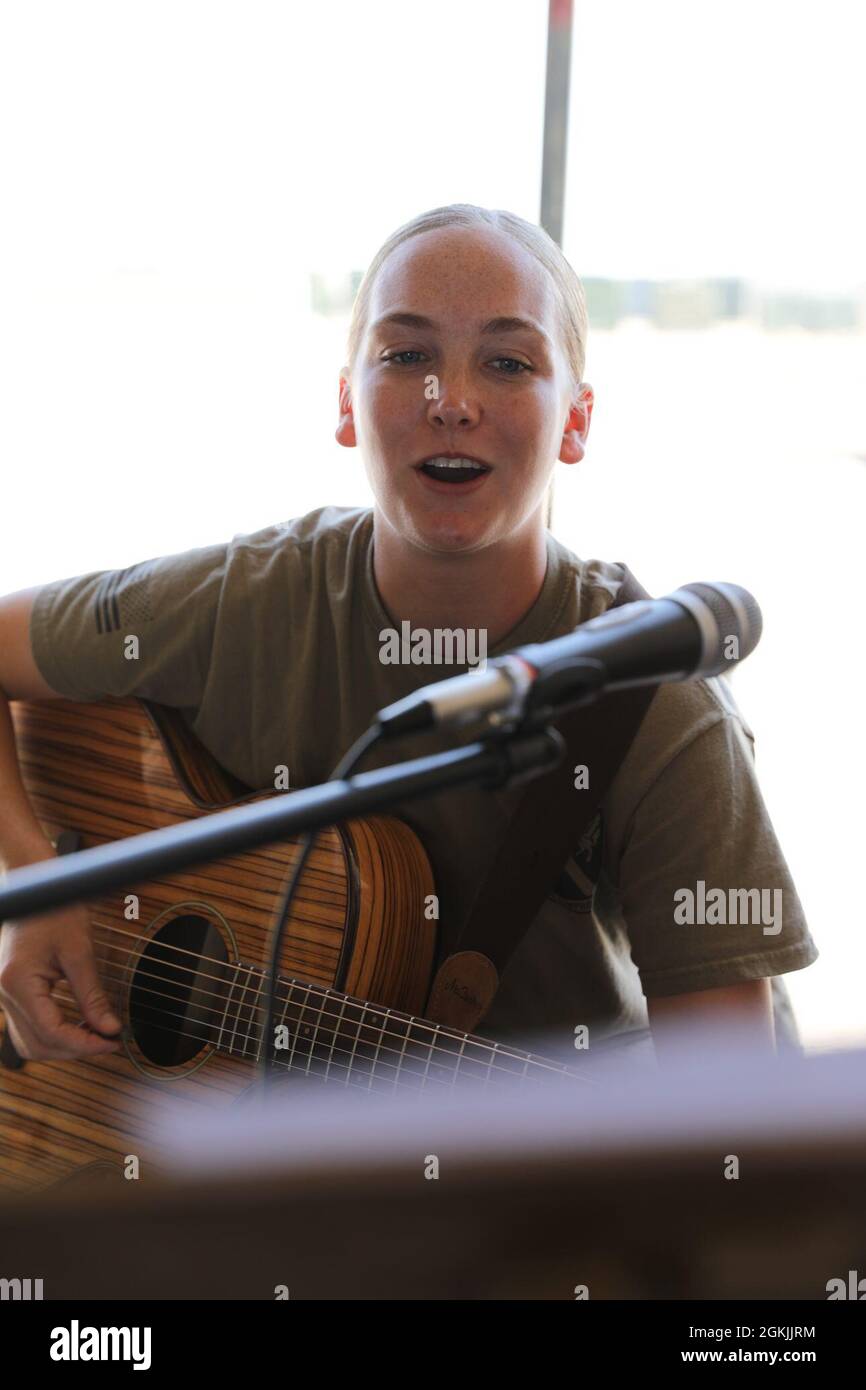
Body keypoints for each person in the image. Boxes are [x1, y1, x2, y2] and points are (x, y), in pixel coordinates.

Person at [0, 203, 817, 1069]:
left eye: (507, 362)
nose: (452, 402)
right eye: (407, 356)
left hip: (551, 1192)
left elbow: (728, 1134)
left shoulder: (659, 709)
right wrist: (34, 881)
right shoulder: (246, 601)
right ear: (348, 403)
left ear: (575, 421)